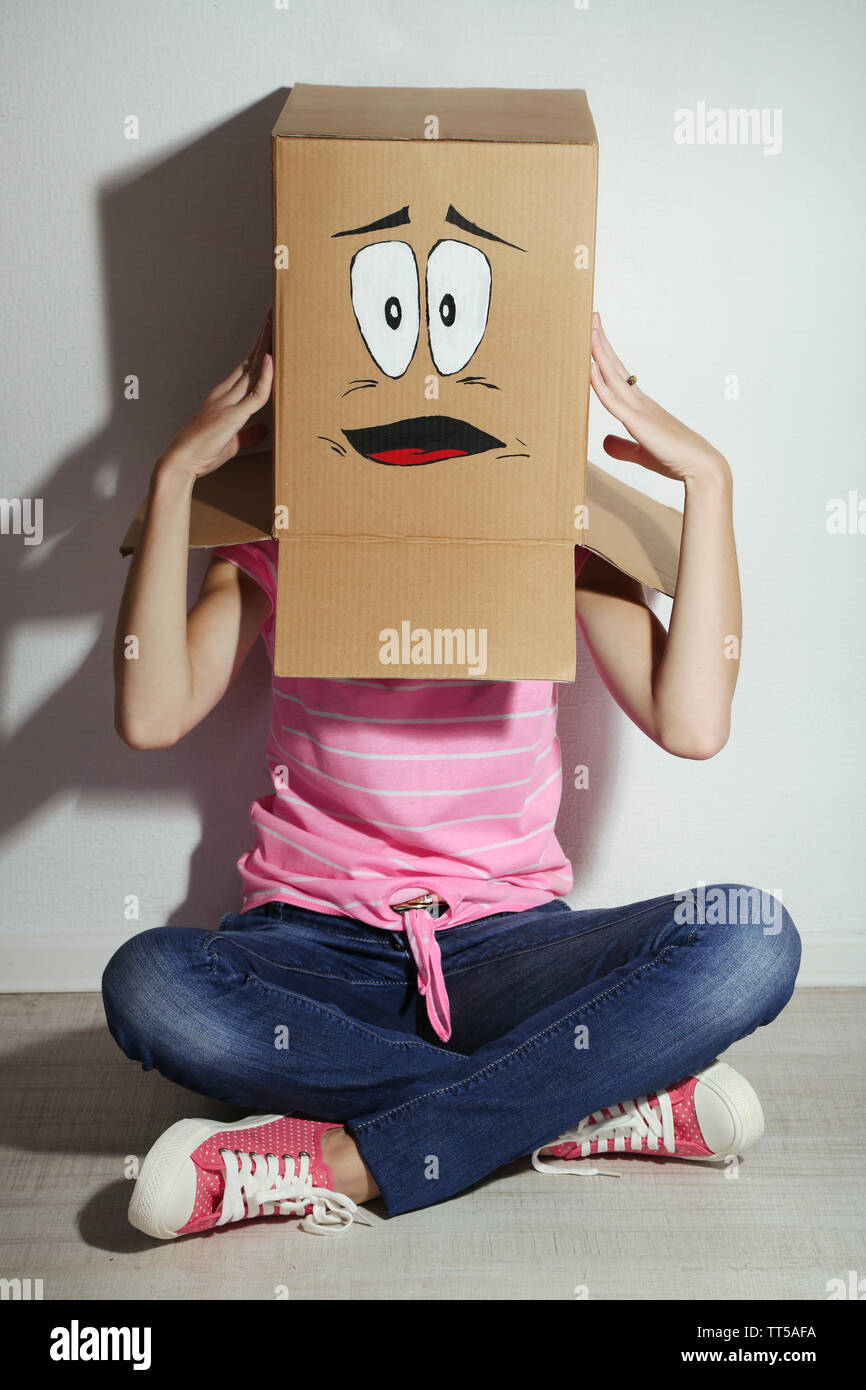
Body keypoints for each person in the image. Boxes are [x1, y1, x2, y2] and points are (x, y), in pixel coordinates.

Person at [103, 306, 800, 1238]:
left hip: (503, 947)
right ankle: (577, 1102)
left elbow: (694, 721)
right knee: (150, 984)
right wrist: (178, 478)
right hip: (315, 951)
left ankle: (341, 1157)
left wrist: (708, 485)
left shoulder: (567, 542)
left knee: (750, 934)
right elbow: (151, 713)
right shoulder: (279, 537)